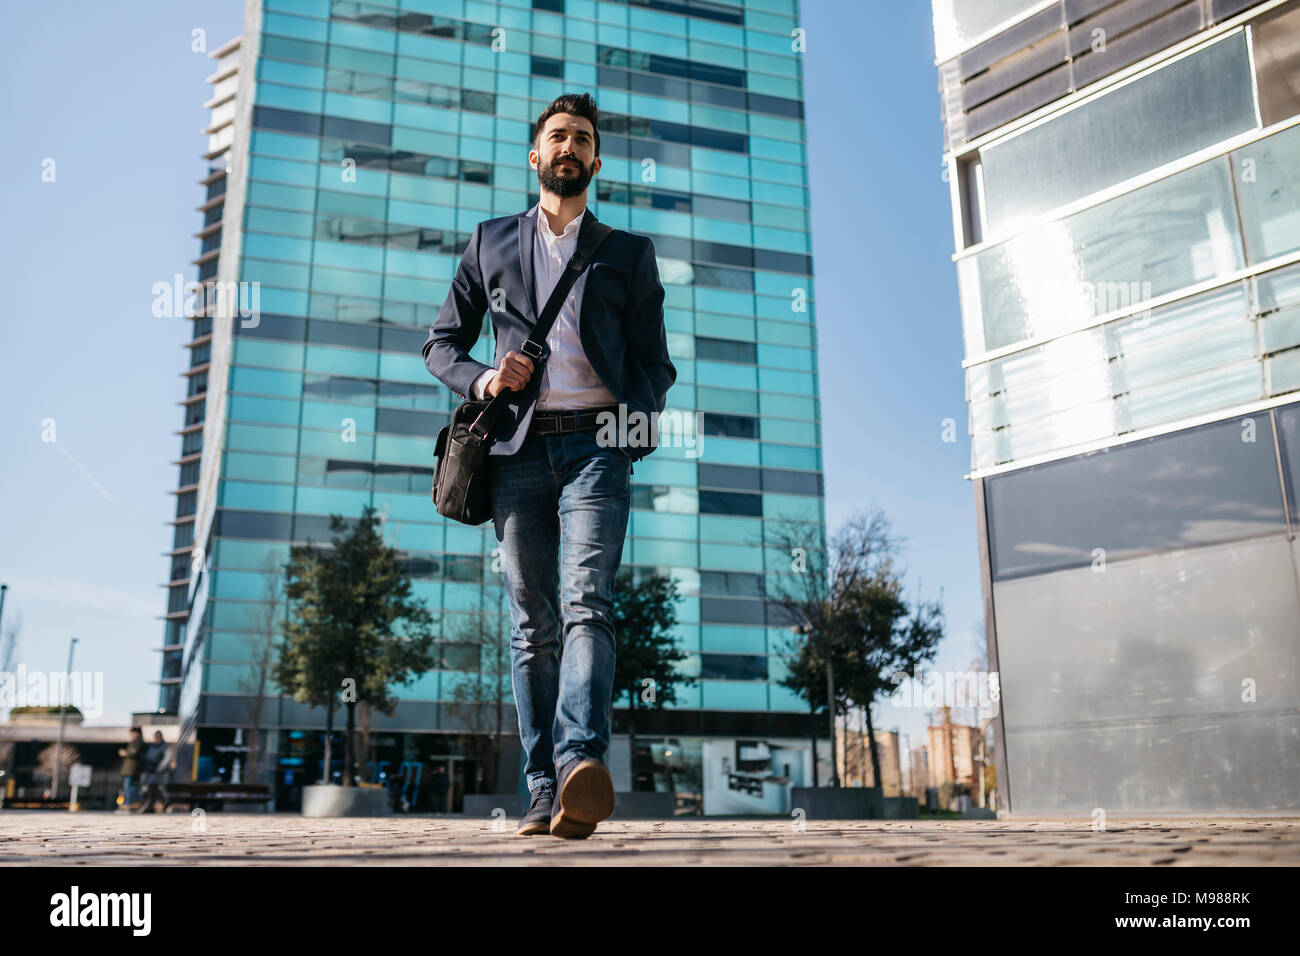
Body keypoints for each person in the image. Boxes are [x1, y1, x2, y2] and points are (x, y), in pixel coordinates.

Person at [423, 92, 675, 839]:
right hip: (515, 452)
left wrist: (634, 421)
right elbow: (440, 343)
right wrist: (484, 379)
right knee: (532, 623)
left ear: (596, 162)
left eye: (583, 139)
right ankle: (543, 789)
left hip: (598, 447)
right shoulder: (490, 241)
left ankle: (579, 765)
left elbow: (656, 367)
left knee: (587, 602)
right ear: (535, 155)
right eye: (556, 136)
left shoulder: (629, 253)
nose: (569, 146)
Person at [137, 731, 172, 813]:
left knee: (152, 788)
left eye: (158, 737)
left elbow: (167, 759)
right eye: (156, 737)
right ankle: (161, 803)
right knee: (153, 788)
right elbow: (149, 756)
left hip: (160, 772)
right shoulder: (152, 746)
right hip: (151, 770)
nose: (156, 739)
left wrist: (160, 768)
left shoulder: (165, 747)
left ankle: (150, 805)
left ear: (161, 737)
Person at [116, 727, 144, 811]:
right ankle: (138, 800)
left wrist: (125, 753)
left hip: (132, 768)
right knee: (128, 787)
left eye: (132, 733)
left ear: (137, 733)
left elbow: (133, 753)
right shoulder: (134, 742)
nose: (131, 735)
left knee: (127, 787)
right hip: (129, 768)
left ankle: (130, 802)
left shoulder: (138, 742)